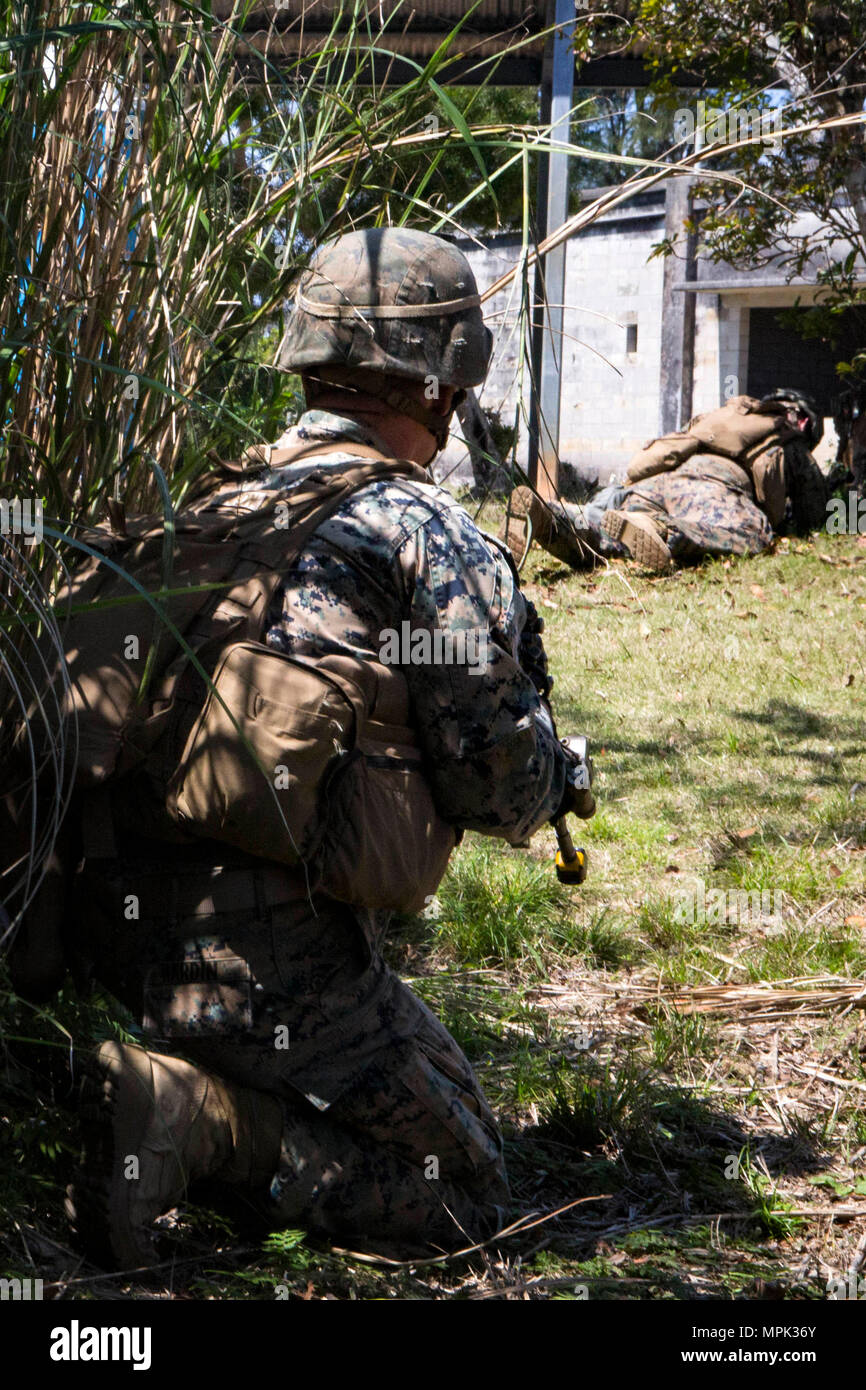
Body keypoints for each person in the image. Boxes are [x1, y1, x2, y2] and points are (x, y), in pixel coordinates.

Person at [64, 227, 594, 1269]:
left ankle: (166, 1080)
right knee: (462, 1189)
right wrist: (560, 771)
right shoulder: (420, 532)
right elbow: (501, 785)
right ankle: (190, 1119)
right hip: (257, 957)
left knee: (444, 1091)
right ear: (441, 386)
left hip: (97, 936)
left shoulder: (202, 504)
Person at [505, 391, 829, 573]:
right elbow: (816, 511)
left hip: (658, 482)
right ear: (803, 420)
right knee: (753, 533)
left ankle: (553, 516)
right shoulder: (788, 437)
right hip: (714, 488)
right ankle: (660, 529)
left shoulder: (727, 417)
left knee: (609, 533)